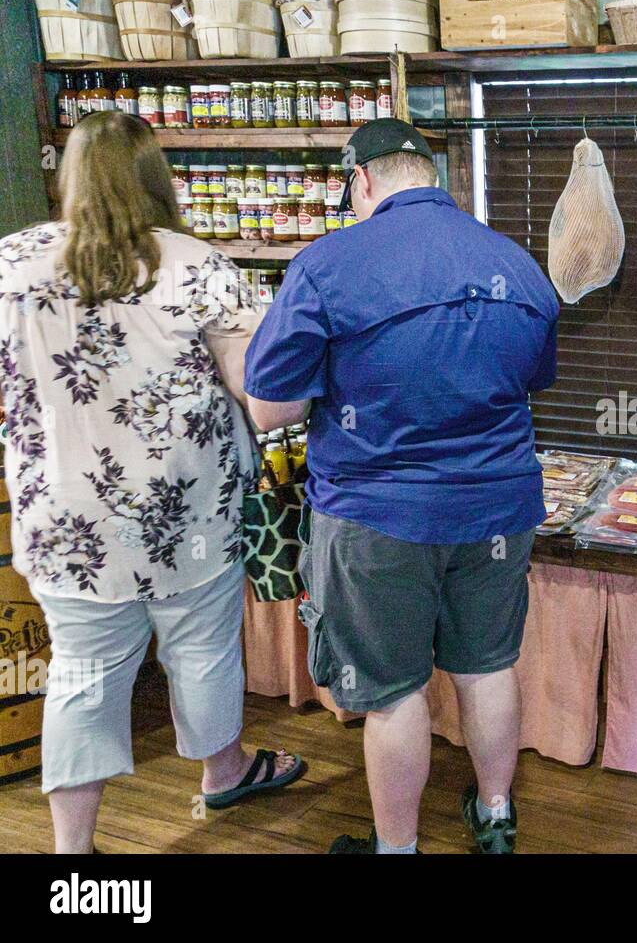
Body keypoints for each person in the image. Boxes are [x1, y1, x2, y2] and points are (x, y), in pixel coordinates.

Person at [243, 118, 559, 855]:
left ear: (362, 181)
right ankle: (496, 814)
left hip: (377, 514)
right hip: (498, 511)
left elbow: (270, 406)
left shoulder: (327, 265)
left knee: (390, 691)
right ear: (433, 176)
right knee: (486, 667)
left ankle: (398, 849)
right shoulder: (517, 263)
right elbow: (528, 379)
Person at [0, 110, 306, 854]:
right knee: (202, 652)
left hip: (64, 523)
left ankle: (73, 855)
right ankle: (223, 773)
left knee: (82, 677)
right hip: (187, 517)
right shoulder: (198, 266)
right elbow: (268, 400)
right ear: (156, 178)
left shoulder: (11, 263)